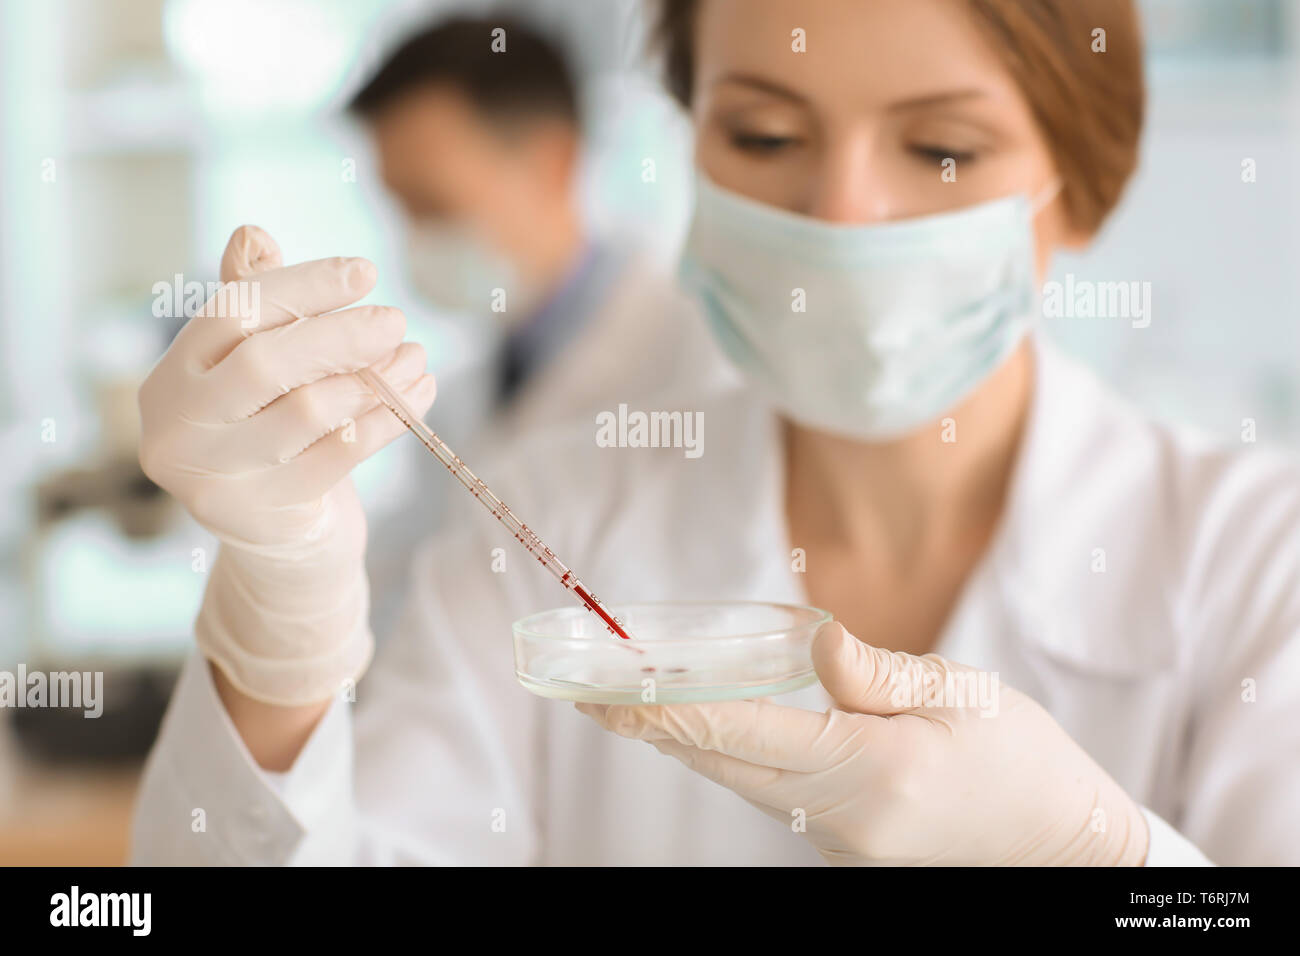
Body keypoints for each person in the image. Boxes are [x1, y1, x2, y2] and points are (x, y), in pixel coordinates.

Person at [132, 0, 1299, 865]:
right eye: (764, 137)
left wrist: (1100, 853)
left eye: (941, 149)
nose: (844, 212)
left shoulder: (1256, 558)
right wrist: (276, 621)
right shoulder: (545, 519)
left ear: (1082, 187)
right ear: (687, 152)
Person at [347, 15, 724, 633]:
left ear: (551, 163)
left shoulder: (697, 358)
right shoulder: (461, 397)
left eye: (436, 205)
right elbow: (385, 599)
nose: (415, 238)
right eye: (401, 209)